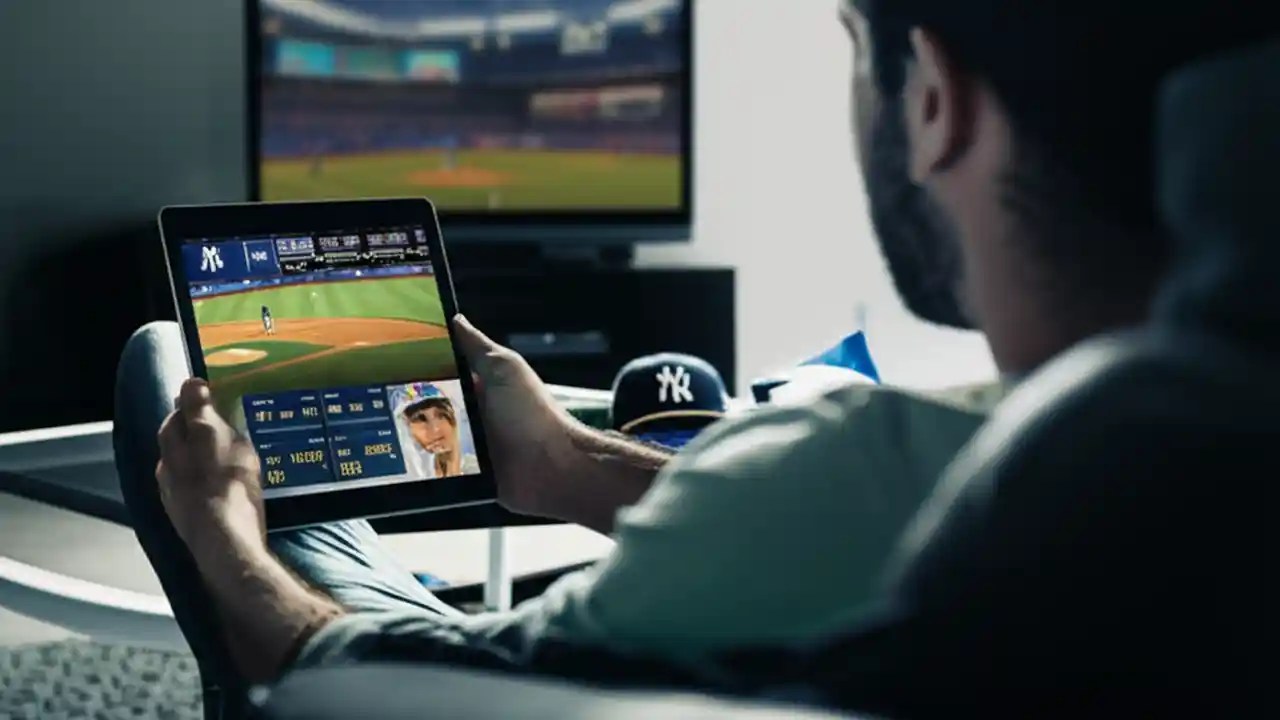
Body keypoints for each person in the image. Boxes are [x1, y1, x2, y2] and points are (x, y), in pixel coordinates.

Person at [116, 0, 1265, 695]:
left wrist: (222, 532)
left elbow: (378, 686)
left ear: (934, 102)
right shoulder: (1181, 457)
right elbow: (844, 526)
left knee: (165, 369)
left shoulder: (832, 462)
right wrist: (565, 463)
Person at [391, 383, 480, 479]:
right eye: (420, 418)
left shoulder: (474, 467)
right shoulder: (398, 477)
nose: (436, 428)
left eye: (441, 415)